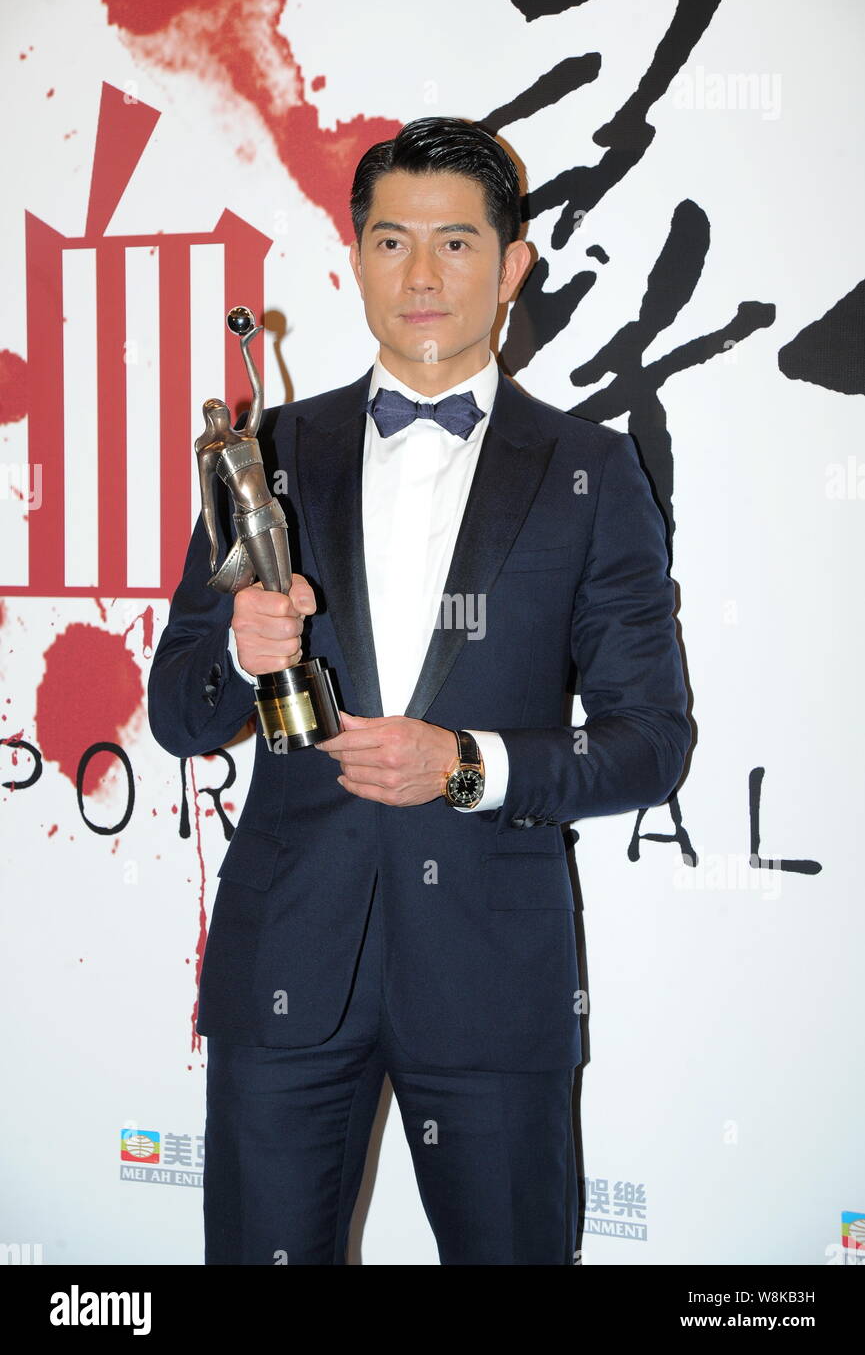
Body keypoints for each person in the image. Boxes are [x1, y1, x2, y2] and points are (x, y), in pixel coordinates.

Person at [147, 115, 691, 1266]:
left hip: (494, 979)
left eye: (456, 242)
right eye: (392, 242)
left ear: (513, 264)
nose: (423, 275)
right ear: (354, 260)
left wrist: (470, 764)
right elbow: (179, 714)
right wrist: (239, 655)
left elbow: (652, 743)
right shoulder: (261, 455)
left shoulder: (593, 472)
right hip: (284, 967)